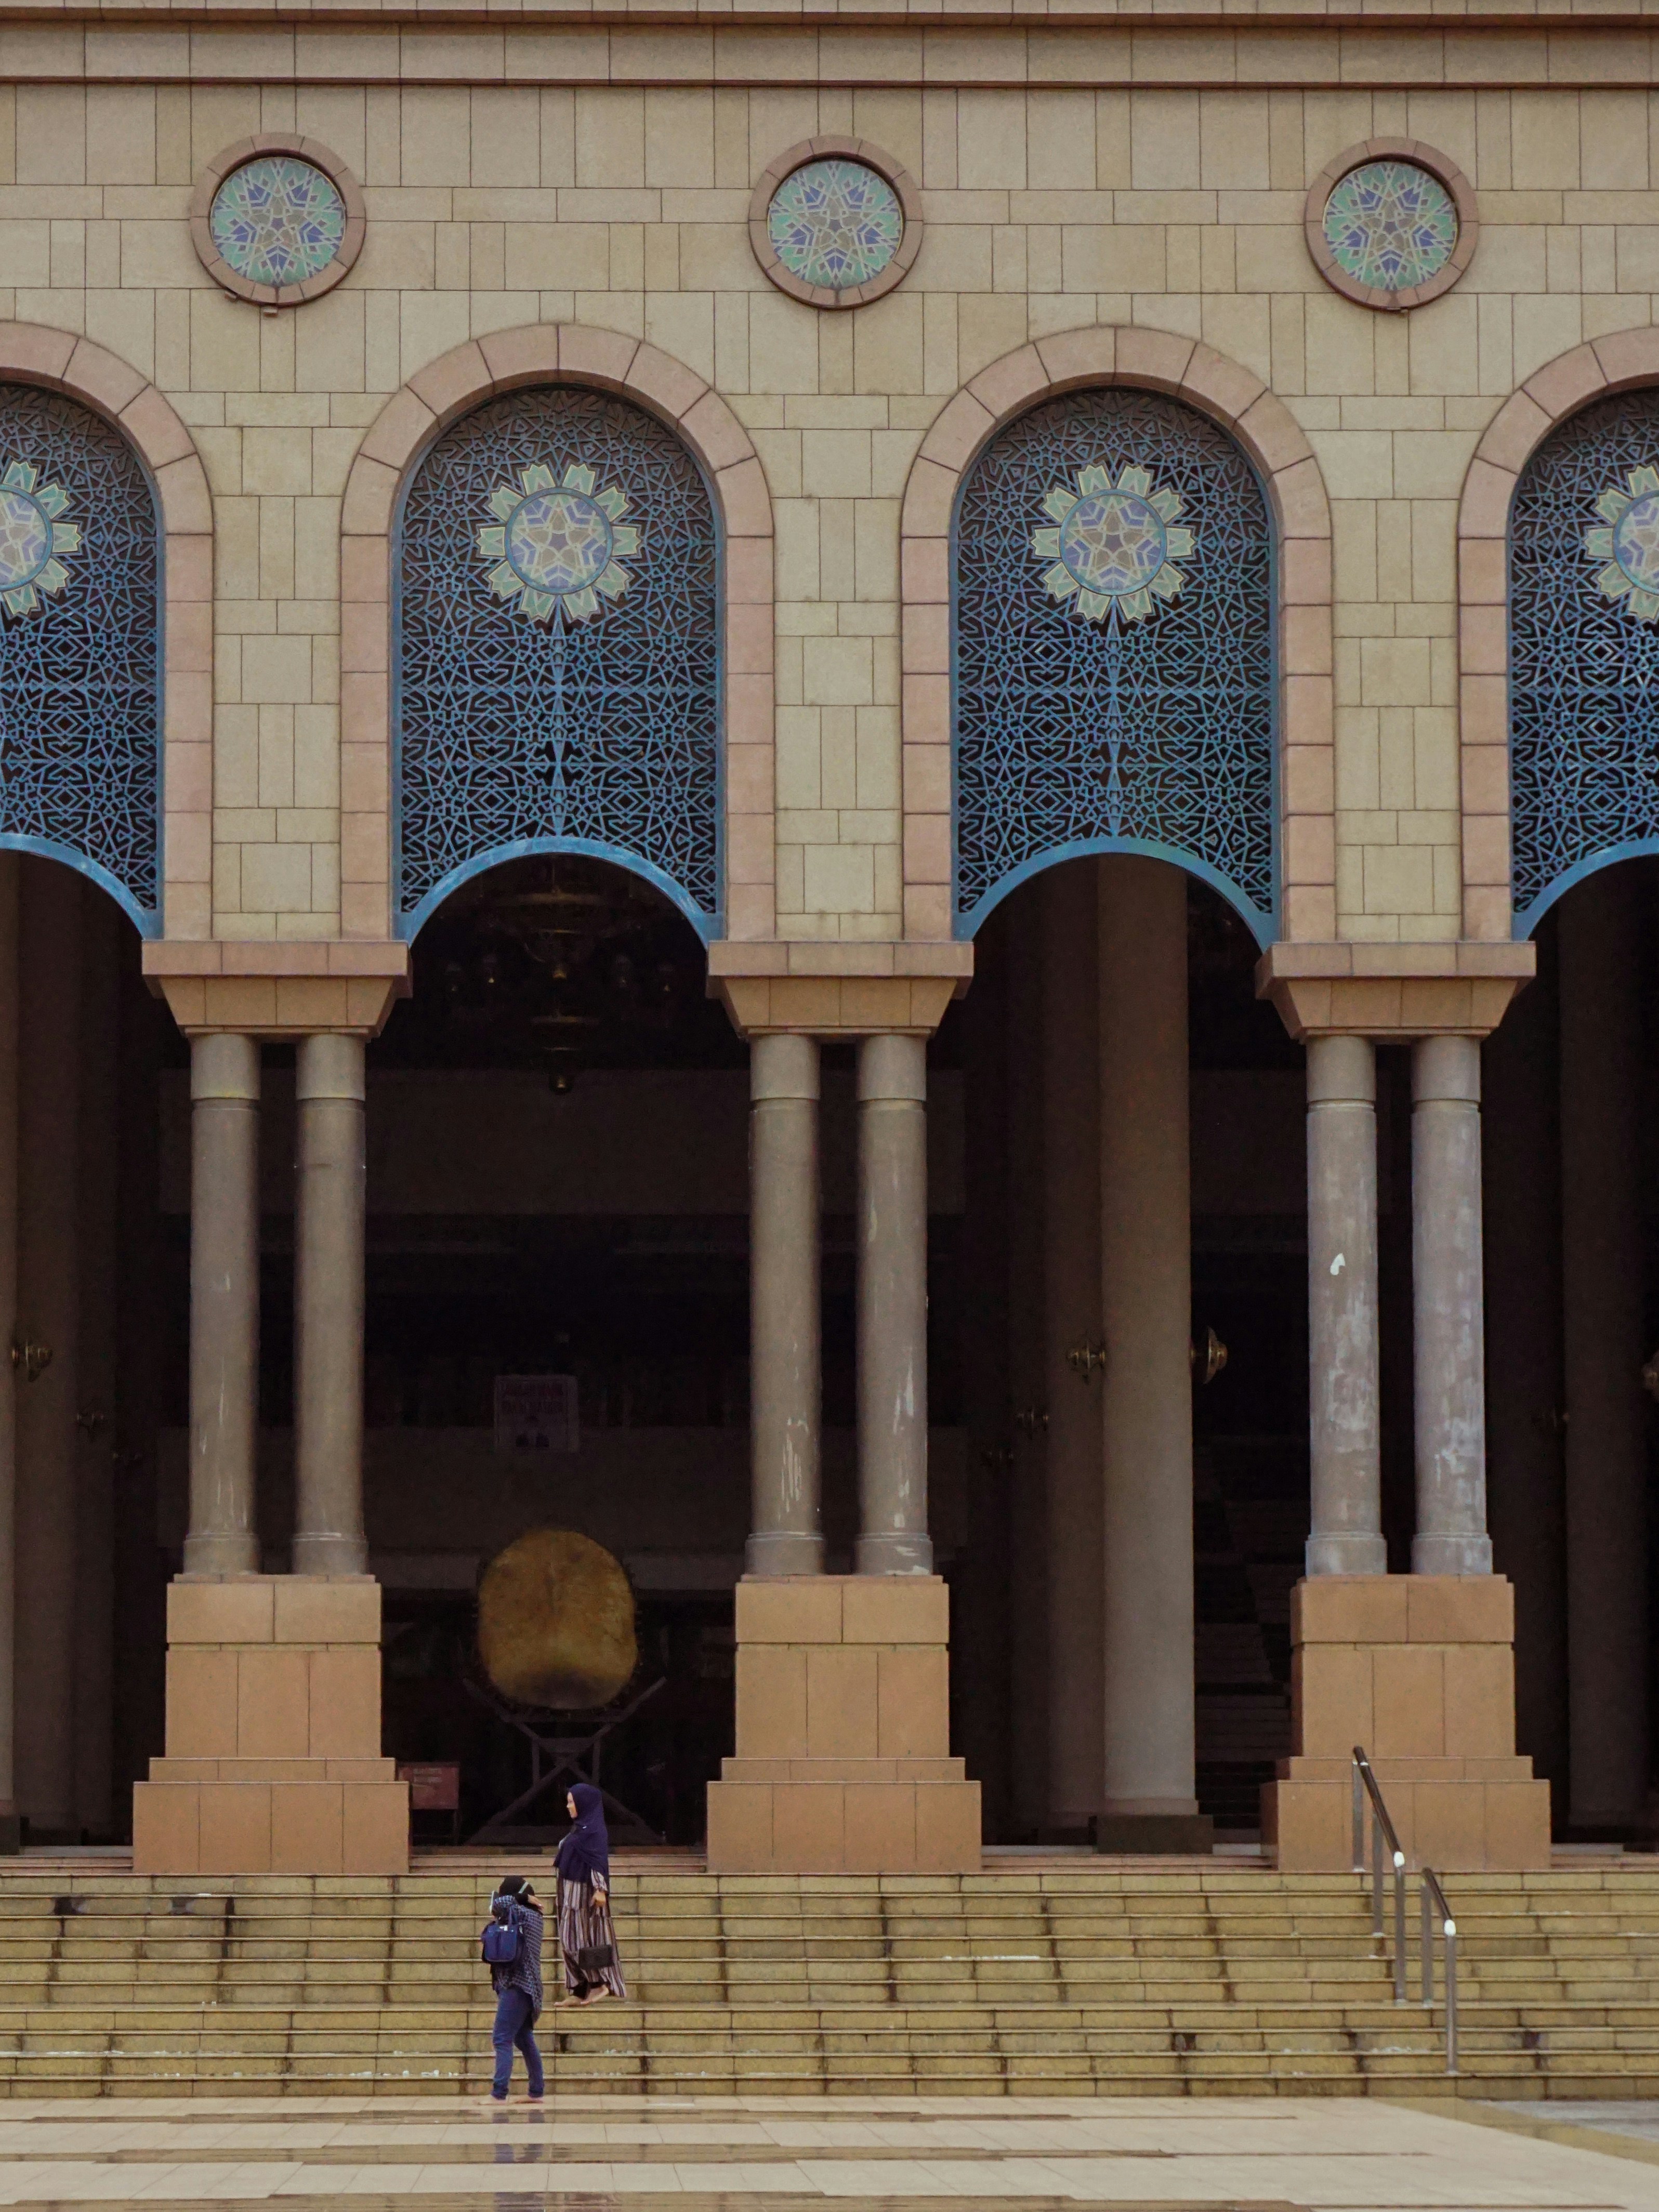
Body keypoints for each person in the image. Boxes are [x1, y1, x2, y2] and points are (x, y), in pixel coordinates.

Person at [553, 1784, 627, 2004]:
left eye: (571, 1802)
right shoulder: (580, 1829)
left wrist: (600, 1889)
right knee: (568, 1940)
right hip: (569, 1892)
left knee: (580, 1940)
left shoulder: (593, 1831)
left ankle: (597, 1984)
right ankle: (579, 1987)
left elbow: (597, 1862)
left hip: (583, 1895)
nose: (568, 1806)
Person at [482, 1873, 545, 2101]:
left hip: (517, 1984)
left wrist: (521, 1899)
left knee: (502, 2037)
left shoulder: (520, 1912)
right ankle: (536, 2090)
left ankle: (499, 2093)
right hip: (529, 1986)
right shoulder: (534, 1916)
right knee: (523, 2038)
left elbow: (496, 1904)